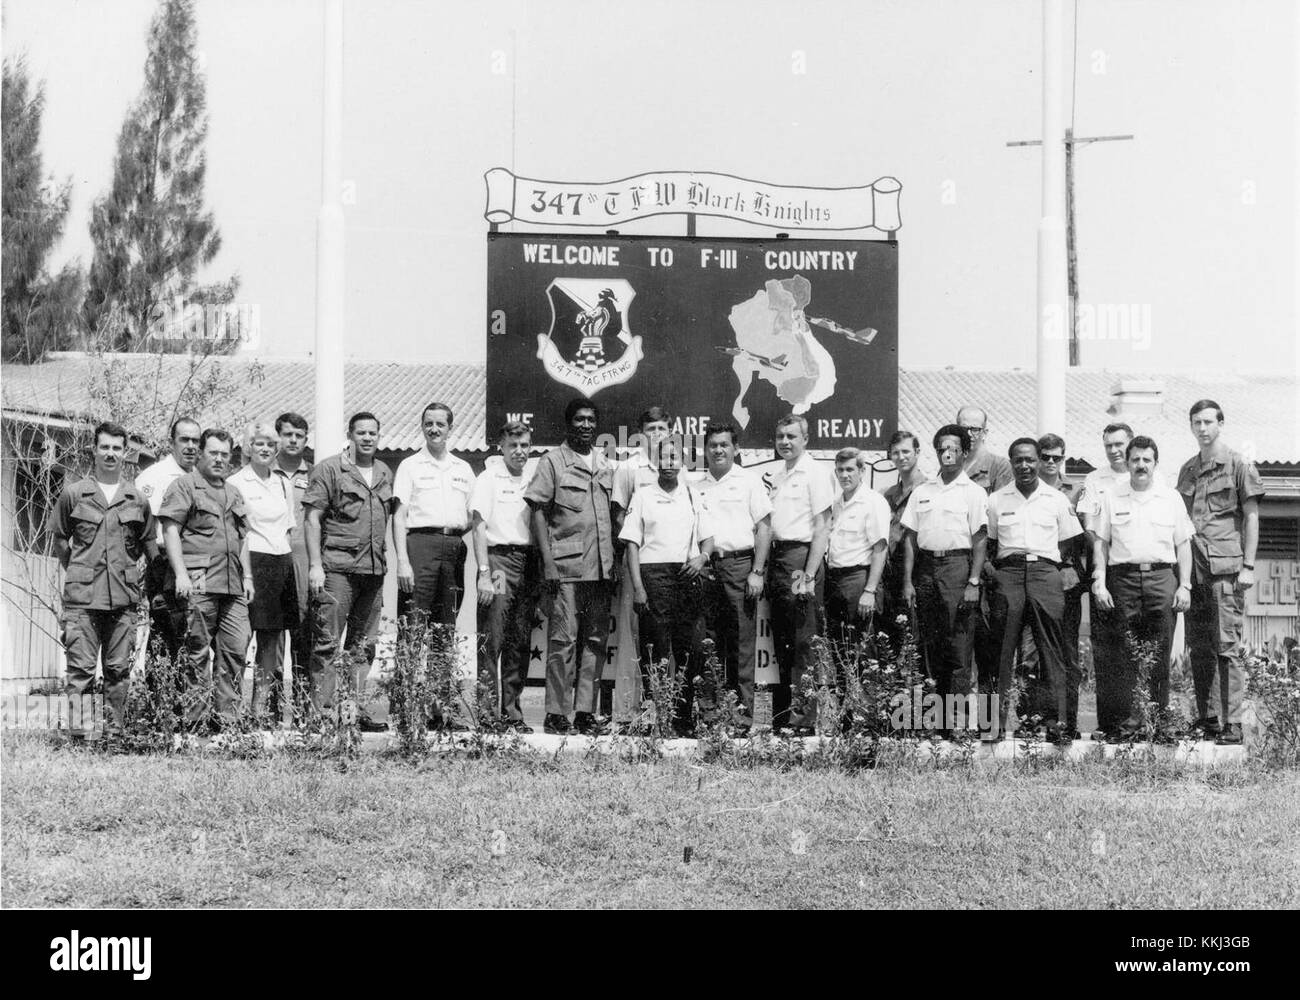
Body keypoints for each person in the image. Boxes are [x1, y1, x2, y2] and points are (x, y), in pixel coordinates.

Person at [52, 421, 154, 739]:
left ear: (126, 454)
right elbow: (60, 542)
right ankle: (78, 736)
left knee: (117, 669)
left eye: (117, 448)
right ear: (94, 451)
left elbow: (146, 546)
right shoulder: (74, 493)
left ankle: (113, 734)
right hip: (83, 598)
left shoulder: (136, 499)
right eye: (105, 447)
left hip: (122, 598)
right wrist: (81, 571)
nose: (110, 454)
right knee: (80, 669)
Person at [1091, 435, 1194, 740]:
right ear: (1128, 461)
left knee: (1159, 653)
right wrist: (1099, 580)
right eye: (1135, 459)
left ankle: (1156, 724)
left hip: (1162, 579)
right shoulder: (1112, 495)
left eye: (1146, 460)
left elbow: (1183, 545)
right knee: (1123, 653)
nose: (1140, 465)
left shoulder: (1170, 498)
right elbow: (1101, 542)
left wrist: (1184, 585)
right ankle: (1127, 725)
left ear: (1155, 463)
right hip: (1122, 580)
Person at [524, 398, 617, 735]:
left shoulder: (606, 464)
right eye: (579, 420)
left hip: (601, 571)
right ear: (568, 424)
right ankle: (557, 713)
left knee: (595, 642)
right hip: (566, 569)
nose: (586, 425)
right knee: (563, 641)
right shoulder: (553, 462)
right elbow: (537, 511)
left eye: (591, 420)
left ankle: (585, 712)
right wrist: (548, 564)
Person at [1175, 399, 1264, 745]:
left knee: (1227, 647)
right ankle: (1208, 718)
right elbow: (1180, 523)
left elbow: (1252, 518)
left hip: (1226, 570)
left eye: (1208, 421)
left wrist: (1249, 566)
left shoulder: (1239, 465)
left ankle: (1234, 724)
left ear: (1221, 424)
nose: (1202, 428)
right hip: (1193, 570)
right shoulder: (1187, 470)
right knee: (1199, 647)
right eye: (1196, 422)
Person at [984, 438, 1083, 742]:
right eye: (1018, 460)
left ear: (1039, 461)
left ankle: (1058, 725)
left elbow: (1070, 541)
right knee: (1000, 651)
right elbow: (988, 542)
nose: (1024, 465)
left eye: (1030, 459)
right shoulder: (997, 500)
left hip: (1044, 572)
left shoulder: (1055, 499)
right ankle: (992, 725)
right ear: (1011, 463)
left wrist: (1056, 568)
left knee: (1052, 650)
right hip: (1009, 572)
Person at [158, 428, 254, 733]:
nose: (219, 459)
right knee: (195, 650)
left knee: (235, 648)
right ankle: (194, 721)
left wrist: (248, 575)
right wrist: (181, 573)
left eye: (225, 455)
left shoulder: (234, 492)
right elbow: (170, 530)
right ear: (200, 453)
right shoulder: (184, 486)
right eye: (213, 452)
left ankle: (227, 719)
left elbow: (244, 538)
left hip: (232, 583)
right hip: (198, 581)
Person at [303, 412, 393, 731]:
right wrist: (315, 565)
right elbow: (312, 518)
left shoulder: (383, 472)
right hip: (338, 569)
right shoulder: (330, 469)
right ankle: (322, 713)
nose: (367, 438)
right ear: (350, 435)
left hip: (373, 571)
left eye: (372, 433)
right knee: (328, 641)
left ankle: (351, 712)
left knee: (362, 646)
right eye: (361, 433)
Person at [621, 435, 712, 735]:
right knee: (656, 650)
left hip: (687, 576)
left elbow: (707, 538)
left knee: (688, 650)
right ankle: (656, 717)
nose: (669, 463)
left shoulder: (692, 495)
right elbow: (632, 545)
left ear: (683, 462)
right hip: (653, 576)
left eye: (675, 458)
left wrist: (702, 558)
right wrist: (638, 587)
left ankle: (683, 717)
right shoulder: (643, 495)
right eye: (664, 457)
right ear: (655, 462)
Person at [900, 425, 988, 734]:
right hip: (926, 569)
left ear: (964, 452)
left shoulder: (974, 492)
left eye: (953, 447)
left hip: (957, 568)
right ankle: (931, 722)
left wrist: (973, 582)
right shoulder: (922, 492)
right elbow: (910, 538)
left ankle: (958, 722)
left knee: (958, 647)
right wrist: (908, 582)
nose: (946, 452)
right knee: (929, 645)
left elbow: (979, 540)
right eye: (941, 448)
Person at [694, 421, 772, 728]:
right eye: (712, 445)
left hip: (740, 565)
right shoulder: (697, 485)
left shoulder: (749, 481)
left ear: (736, 448)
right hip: (706, 568)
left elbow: (764, 527)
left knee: (741, 642)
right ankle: (711, 715)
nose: (718, 450)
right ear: (705, 449)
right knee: (708, 641)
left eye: (724, 444)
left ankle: (741, 717)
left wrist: (757, 571)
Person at [1014, 433, 1088, 732]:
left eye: (1057, 457)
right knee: (1029, 653)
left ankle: (1064, 721)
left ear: (1063, 458)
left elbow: (1083, 537)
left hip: (1065, 580)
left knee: (1065, 654)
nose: (1050, 463)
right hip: (1032, 579)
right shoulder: (1024, 490)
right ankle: (1029, 720)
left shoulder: (1077, 491)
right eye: (1044, 457)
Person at [767, 413, 835, 734]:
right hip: (779, 559)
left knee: (804, 641)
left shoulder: (816, 473)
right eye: (781, 436)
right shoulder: (778, 474)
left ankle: (804, 719)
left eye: (792, 437)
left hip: (801, 559)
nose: (785, 442)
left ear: (805, 439)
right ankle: (783, 717)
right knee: (782, 641)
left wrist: (808, 574)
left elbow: (823, 526)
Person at [471, 420, 541, 733]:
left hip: (527, 562)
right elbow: (478, 525)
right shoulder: (488, 478)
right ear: (502, 446)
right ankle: (487, 715)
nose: (519, 452)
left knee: (519, 640)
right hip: (497, 561)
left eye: (525, 445)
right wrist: (484, 573)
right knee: (492, 638)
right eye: (513, 446)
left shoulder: (534, 477)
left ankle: (512, 714)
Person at [228, 422, 298, 727]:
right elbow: (237, 532)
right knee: (241, 638)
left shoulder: (283, 483)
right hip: (251, 562)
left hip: (280, 559)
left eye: (271, 444)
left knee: (272, 643)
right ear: (248, 448)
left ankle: (261, 710)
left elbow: (289, 526)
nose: (265, 449)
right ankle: (230, 712)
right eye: (258, 444)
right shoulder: (235, 482)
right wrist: (246, 575)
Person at [956, 405, 1014, 727]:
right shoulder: (947, 466)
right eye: (963, 427)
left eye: (975, 428)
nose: (969, 433)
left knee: (990, 652)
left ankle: (990, 727)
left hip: (989, 572)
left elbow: (1001, 520)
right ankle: (956, 725)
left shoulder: (998, 468)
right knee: (958, 653)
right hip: (955, 570)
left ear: (984, 432)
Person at [393, 403, 474, 629]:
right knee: (413, 620)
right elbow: (399, 517)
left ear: (450, 428)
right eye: (428, 424)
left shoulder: (463, 468)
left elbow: (472, 515)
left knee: (447, 621)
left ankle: (441, 666)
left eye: (440, 424)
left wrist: (450, 530)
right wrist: (402, 561)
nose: (434, 429)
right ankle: (408, 666)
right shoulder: (409, 466)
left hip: (453, 548)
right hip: (420, 546)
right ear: (422, 427)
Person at [136, 417, 201, 668]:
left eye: (196, 440)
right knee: (164, 635)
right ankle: (157, 702)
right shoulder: (156, 476)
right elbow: (146, 527)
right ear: (171, 442)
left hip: (194, 562)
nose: (191, 446)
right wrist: (158, 567)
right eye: (184, 439)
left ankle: (184, 703)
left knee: (189, 635)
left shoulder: (199, 477)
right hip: (163, 563)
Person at [824, 447, 890, 654]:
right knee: (840, 649)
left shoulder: (873, 501)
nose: (844, 475)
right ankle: (846, 688)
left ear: (862, 471)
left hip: (858, 580)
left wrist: (869, 591)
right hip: (835, 580)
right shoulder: (835, 504)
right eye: (840, 470)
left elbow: (880, 548)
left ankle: (866, 688)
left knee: (862, 648)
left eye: (850, 469)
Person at [271, 411, 313, 723]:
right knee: (272, 635)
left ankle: (301, 710)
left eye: (299, 435)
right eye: (287, 434)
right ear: (278, 437)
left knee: (303, 633)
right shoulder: (262, 472)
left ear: (306, 440)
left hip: (302, 558)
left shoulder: (313, 476)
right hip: (270, 558)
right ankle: (270, 709)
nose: (293, 440)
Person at [881, 430, 927, 650]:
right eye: (896, 453)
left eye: (906, 451)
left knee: (916, 635)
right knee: (894, 635)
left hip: (918, 569)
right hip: (892, 571)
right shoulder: (888, 494)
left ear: (917, 453)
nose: (901, 457)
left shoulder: (929, 489)